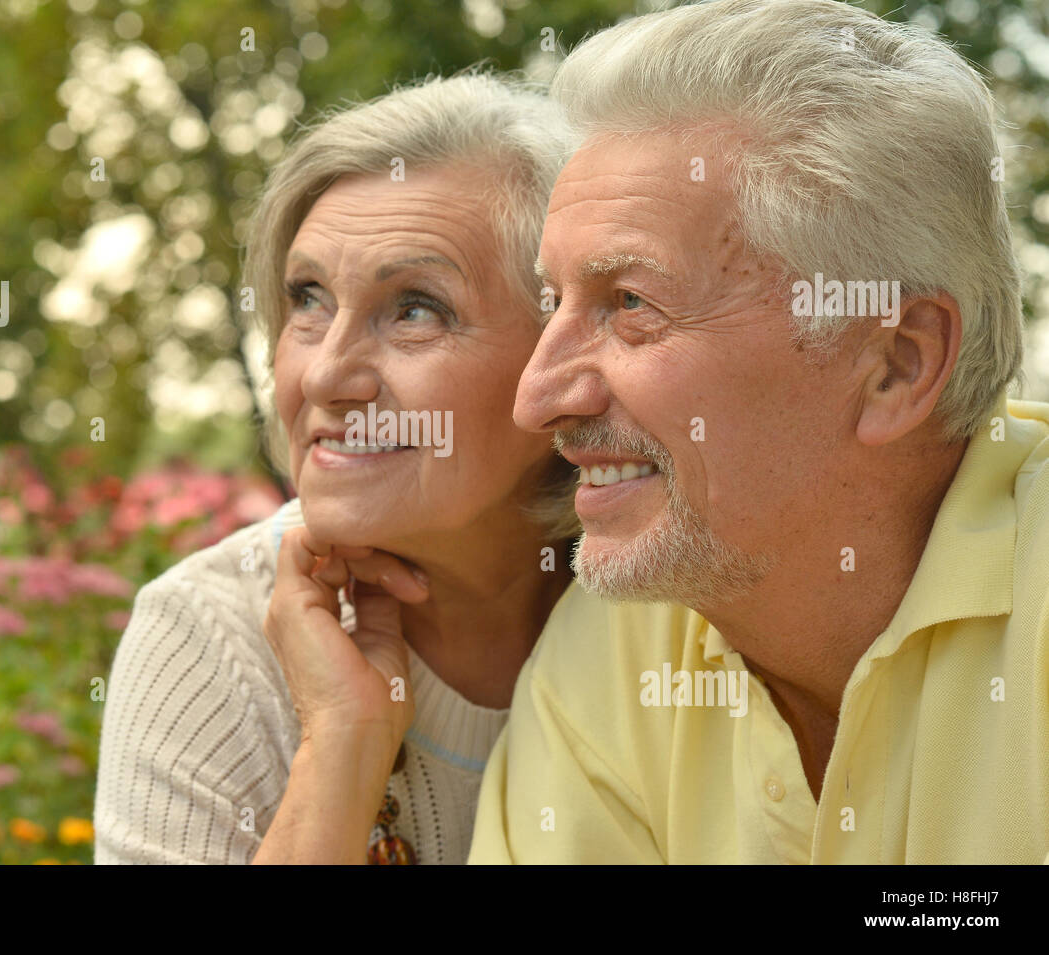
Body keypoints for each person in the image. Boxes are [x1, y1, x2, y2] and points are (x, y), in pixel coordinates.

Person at [470, 0, 1049, 864]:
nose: (538, 395)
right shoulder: (623, 638)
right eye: (556, 303)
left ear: (895, 361)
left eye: (631, 304)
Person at [94, 70, 579, 864]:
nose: (323, 375)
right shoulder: (206, 640)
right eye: (309, 298)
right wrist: (341, 744)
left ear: (561, 357)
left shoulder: (668, 609)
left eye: (416, 308)